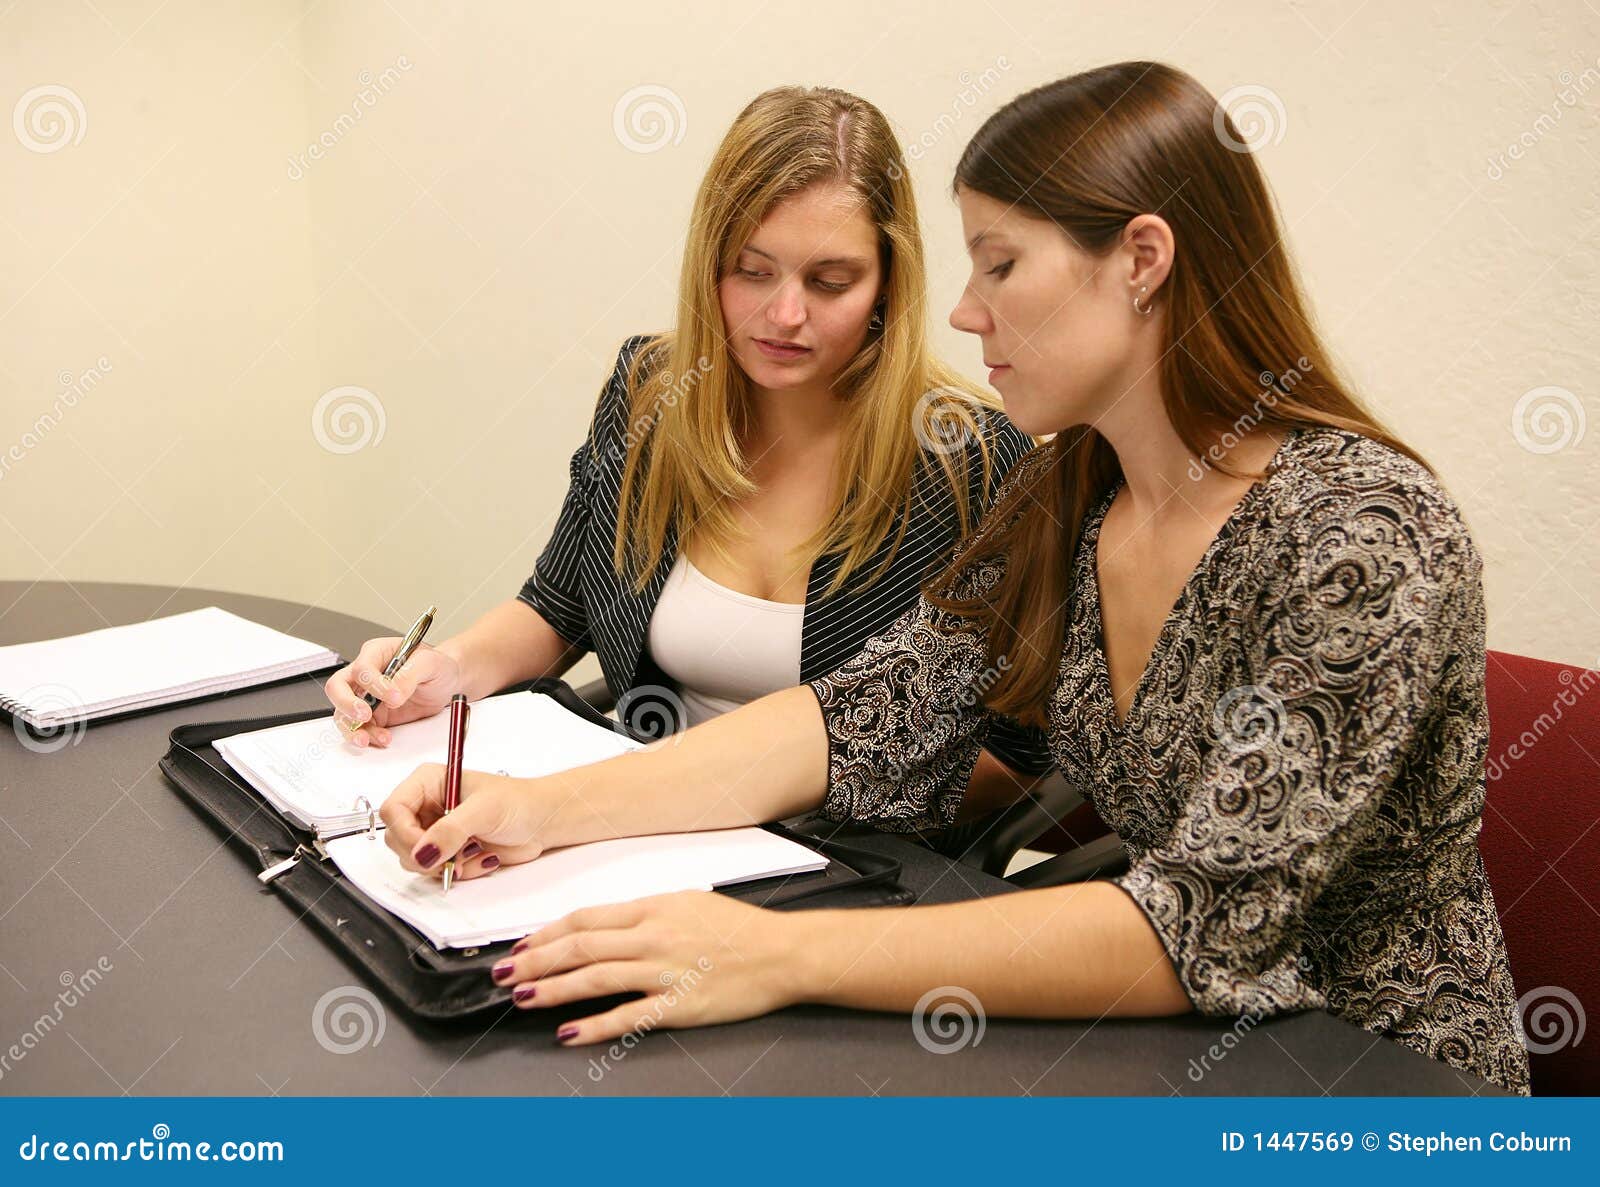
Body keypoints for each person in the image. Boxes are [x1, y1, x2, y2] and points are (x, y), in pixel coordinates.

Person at [377, 62, 1531, 1095]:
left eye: (1001, 263)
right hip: (1167, 1050)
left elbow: (1201, 922)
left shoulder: (1365, 532)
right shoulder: (1063, 490)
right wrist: (538, 812)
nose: (965, 310)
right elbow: (856, 715)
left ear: (1140, 260)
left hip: (1370, 1077)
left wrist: (772, 952)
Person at [322, 85, 1047, 811]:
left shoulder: (975, 462)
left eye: (830, 282)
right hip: (634, 828)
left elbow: (1017, 760)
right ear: (709, 265)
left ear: (890, 281)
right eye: (752, 271)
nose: (785, 315)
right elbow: (557, 603)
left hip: (851, 868)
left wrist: (760, 809)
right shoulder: (652, 393)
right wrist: (444, 670)